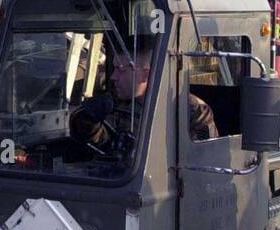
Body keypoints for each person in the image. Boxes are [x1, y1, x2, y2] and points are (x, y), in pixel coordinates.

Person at [70, 45, 217, 155]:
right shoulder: (118, 103)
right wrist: (89, 120)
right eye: (114, 69)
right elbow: (103, 142)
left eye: (120, 70)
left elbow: (202, 157)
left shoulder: (190, 109)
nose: (113, 77)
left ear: (146, 75)